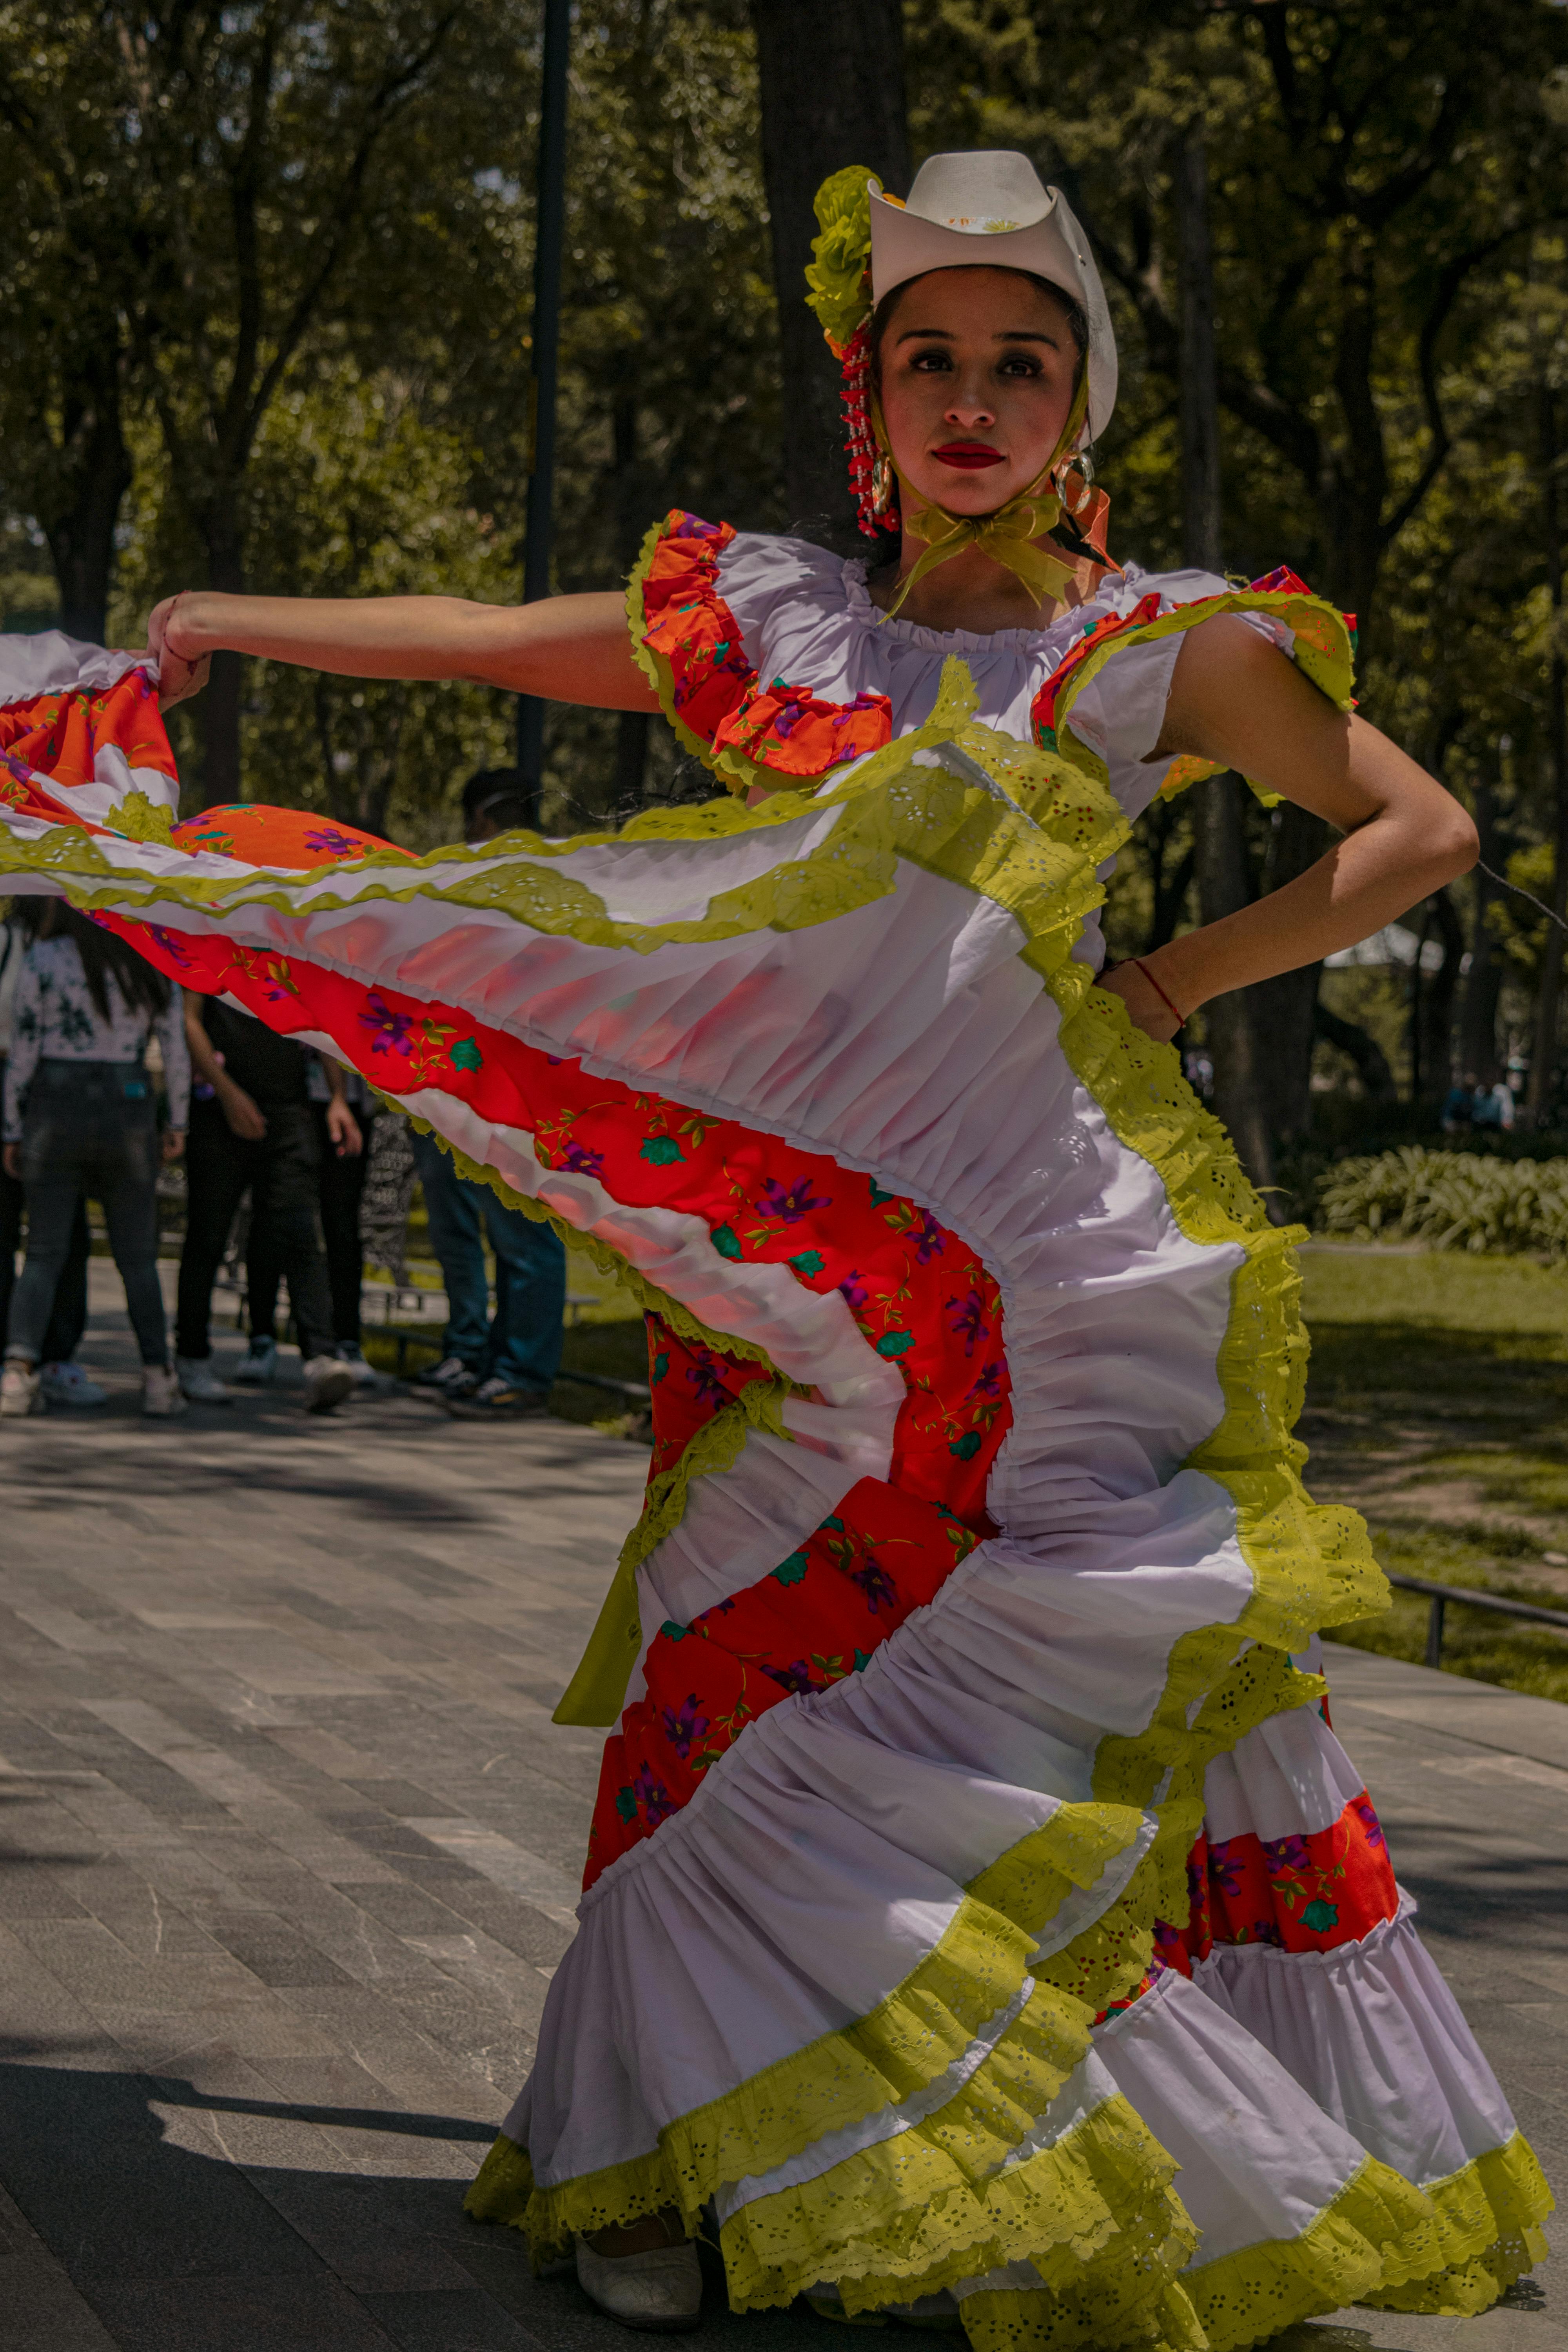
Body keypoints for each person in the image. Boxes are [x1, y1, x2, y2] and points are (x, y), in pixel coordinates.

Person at [0, 149, 1547, 2345]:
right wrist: (235, 619)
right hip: (800, 1289)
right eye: (933, 360)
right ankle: (676, 2158)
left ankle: (1120, 2161)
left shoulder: (1145, 650)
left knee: (1088, 1690)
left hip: (1046, 1281)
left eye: (1023, 365)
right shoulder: (770, 622)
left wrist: (1181, 984)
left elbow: (1417, 828)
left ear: (1077, 405)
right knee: (732, 1690)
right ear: (872, 394)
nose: (975, 405)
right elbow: (498, 645)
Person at [408, 767, 567, 1419]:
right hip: (463, 1078)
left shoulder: (538, 891)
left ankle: (522, 1368)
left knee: (522, 1231)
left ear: (484, 819)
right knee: (479, 1227)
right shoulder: (489, 889)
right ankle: (482, 1353)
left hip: (512, 1087)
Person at [1, 902, 189, 1419]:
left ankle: (18, 1372)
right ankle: (158, 1375)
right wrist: (176, 1121)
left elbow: (24, 1048)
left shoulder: (44, 957)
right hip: (127, 1101)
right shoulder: (149, 960)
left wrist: (13, 1126)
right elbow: (174, 1049)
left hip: (54, 1101)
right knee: (137, 1256)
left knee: (43, 1251)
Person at [174, 996, 355, 1413]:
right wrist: (227, 1092)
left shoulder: (291, 941)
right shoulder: (211, 938)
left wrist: (338, 1098)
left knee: (299, 1232)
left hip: (288, 1108)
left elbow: (320, 1019)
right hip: (219, 1107)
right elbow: (188, 1018)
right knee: (207, 1235)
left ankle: (321, 1357)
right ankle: (192, 1356)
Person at [0, 907, 100, 1406]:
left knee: (66, 1235)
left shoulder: (78, 951)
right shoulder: (11, 944)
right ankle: (14, 1358)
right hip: (17, 1087)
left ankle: (57, 1353)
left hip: (61, 1098)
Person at [244, 1049, 378, 1388]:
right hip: (287, 1098)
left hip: (348, 1102)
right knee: (274, 1219)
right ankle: (262, 1337)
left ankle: (345, 1340)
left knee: (342, 1226)